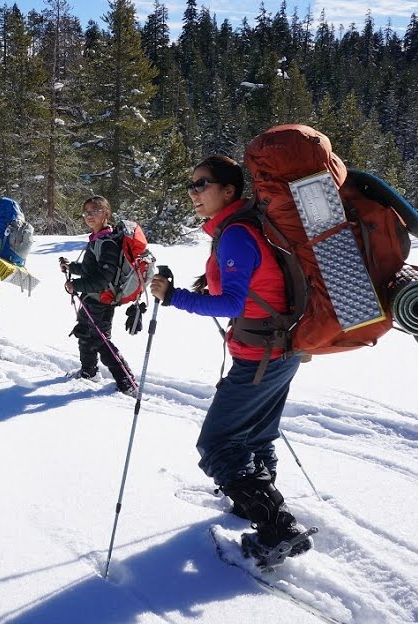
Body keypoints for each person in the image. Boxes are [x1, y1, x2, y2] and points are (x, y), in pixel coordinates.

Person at [148, 155, 314, 566]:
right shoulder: (243, 228)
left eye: (202, 184)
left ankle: (277, 529)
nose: (194, 193)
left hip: (261, 356)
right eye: (191, 185)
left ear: (229, 191)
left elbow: (234, 302)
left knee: (218, 444)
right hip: (279, 351)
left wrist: (173, 297)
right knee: (255, 437)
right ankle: (252, 507)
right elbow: (256, 281)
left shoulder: (237, 234)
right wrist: (209, 281)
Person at [58, 196, 136, 396]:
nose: (89, 215)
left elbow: (102, 279)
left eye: (95, 210)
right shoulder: (97, 240)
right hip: (90, 299)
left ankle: (127, 382)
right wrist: (71, 268)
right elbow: (90, 270)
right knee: (84, 333)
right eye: (86, 212)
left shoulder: (108, 242)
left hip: (102, 301)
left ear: (106, 214)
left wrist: (75, 285)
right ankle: (89, 372)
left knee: (101, 341)